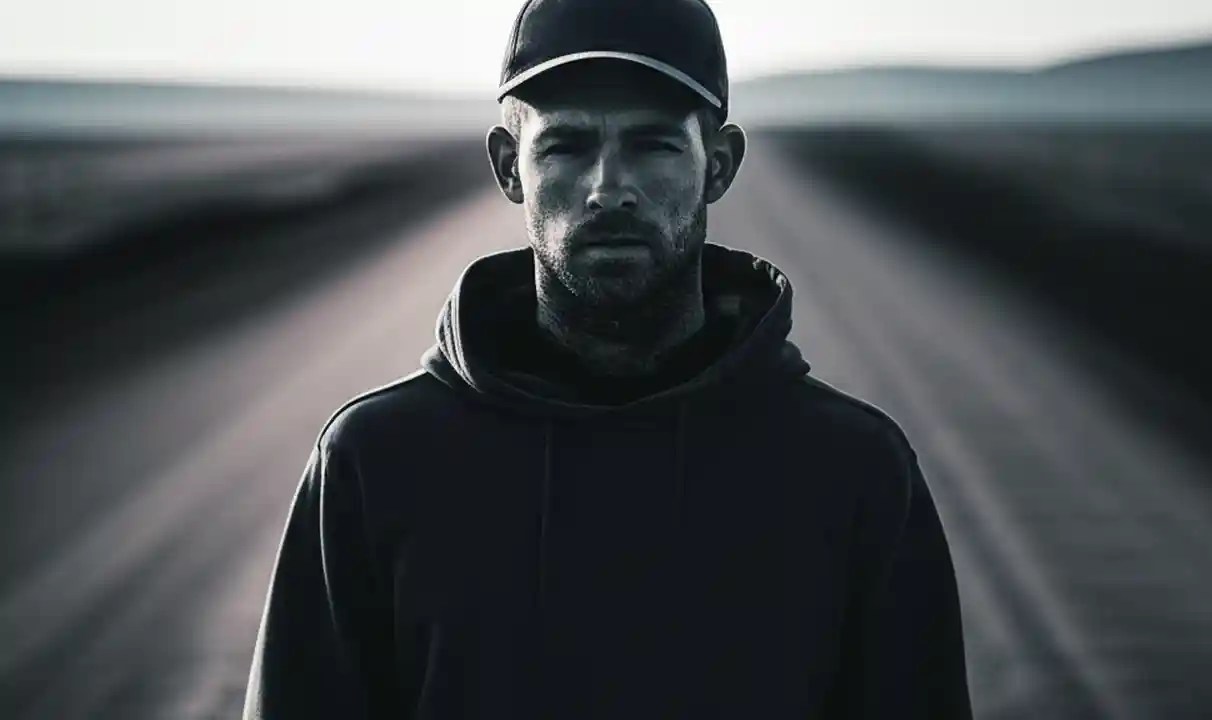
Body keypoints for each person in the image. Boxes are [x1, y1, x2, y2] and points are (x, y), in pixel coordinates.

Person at [242, 1, 973, 718]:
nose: (608, 190)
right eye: (566, 147)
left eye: (652, 144)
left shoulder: (852, 468)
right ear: (508, 168)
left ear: (717, 165)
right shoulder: (377, 460)